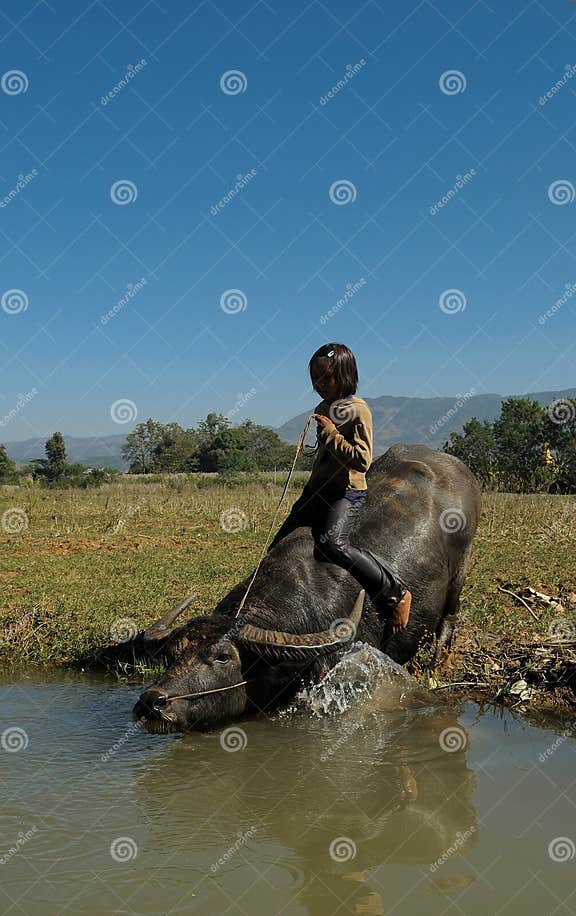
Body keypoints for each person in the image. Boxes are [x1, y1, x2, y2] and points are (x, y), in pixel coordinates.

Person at [267, 342, 411, 634]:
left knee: (333, 544)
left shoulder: (358, 411)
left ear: (344, 376)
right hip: (317, 490)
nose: (319, 385)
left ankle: (395, 591)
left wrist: (331, 434)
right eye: (315, 380)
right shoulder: (323, 408)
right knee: (277, 548)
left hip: (346, 492)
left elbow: (362, 460)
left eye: (325, 378)